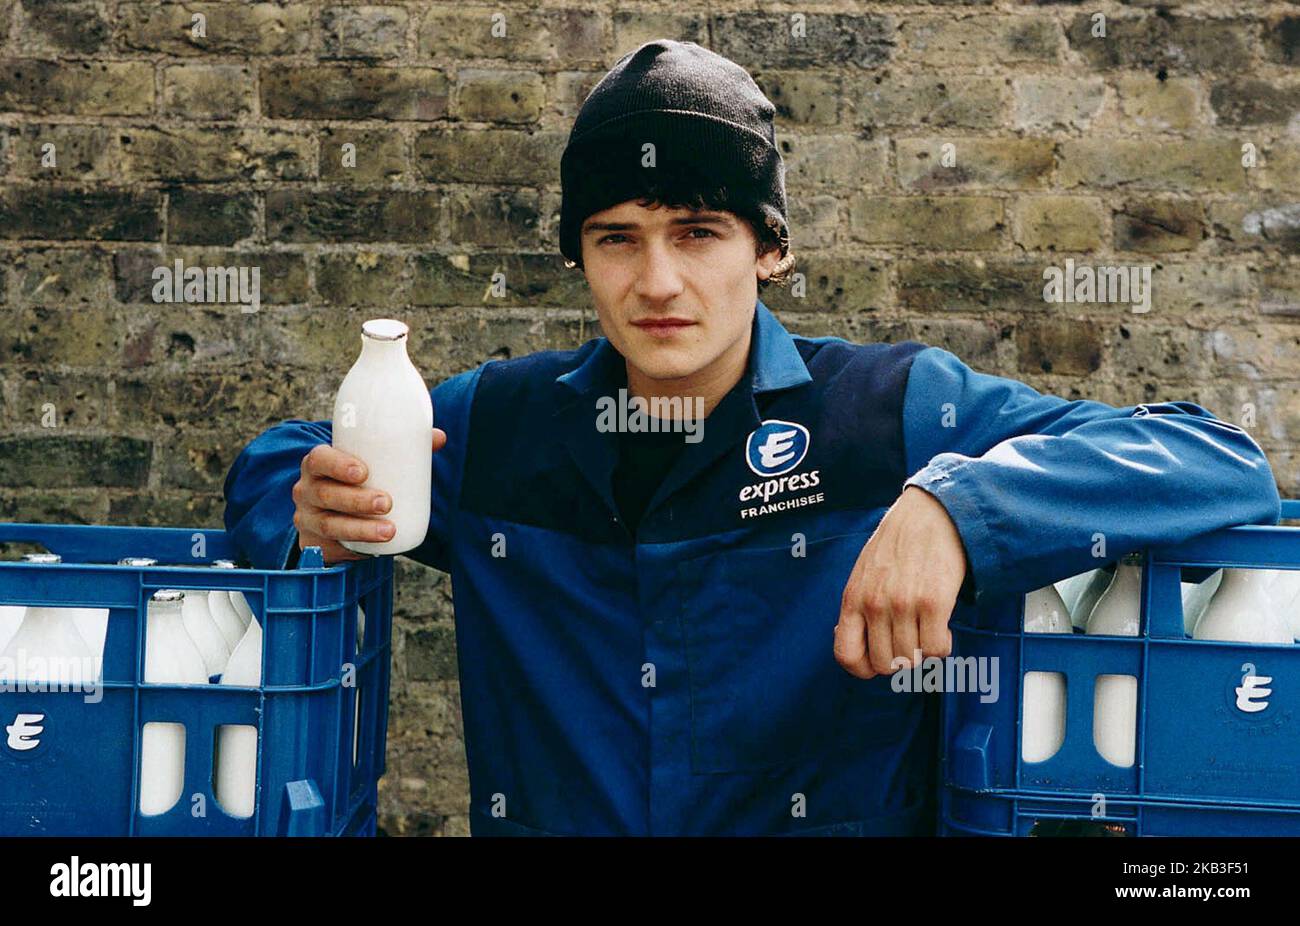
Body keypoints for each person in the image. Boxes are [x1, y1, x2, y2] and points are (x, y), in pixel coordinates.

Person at [223, 40, 1281, 835]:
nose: (658, 281)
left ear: (767, 248)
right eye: (615, 240)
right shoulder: (498, 427)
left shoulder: (884, 414)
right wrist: (304, 500)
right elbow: (284, 459)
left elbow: (1211, 458)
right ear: (579, 258)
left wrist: (960, 505)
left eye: (696, 232)